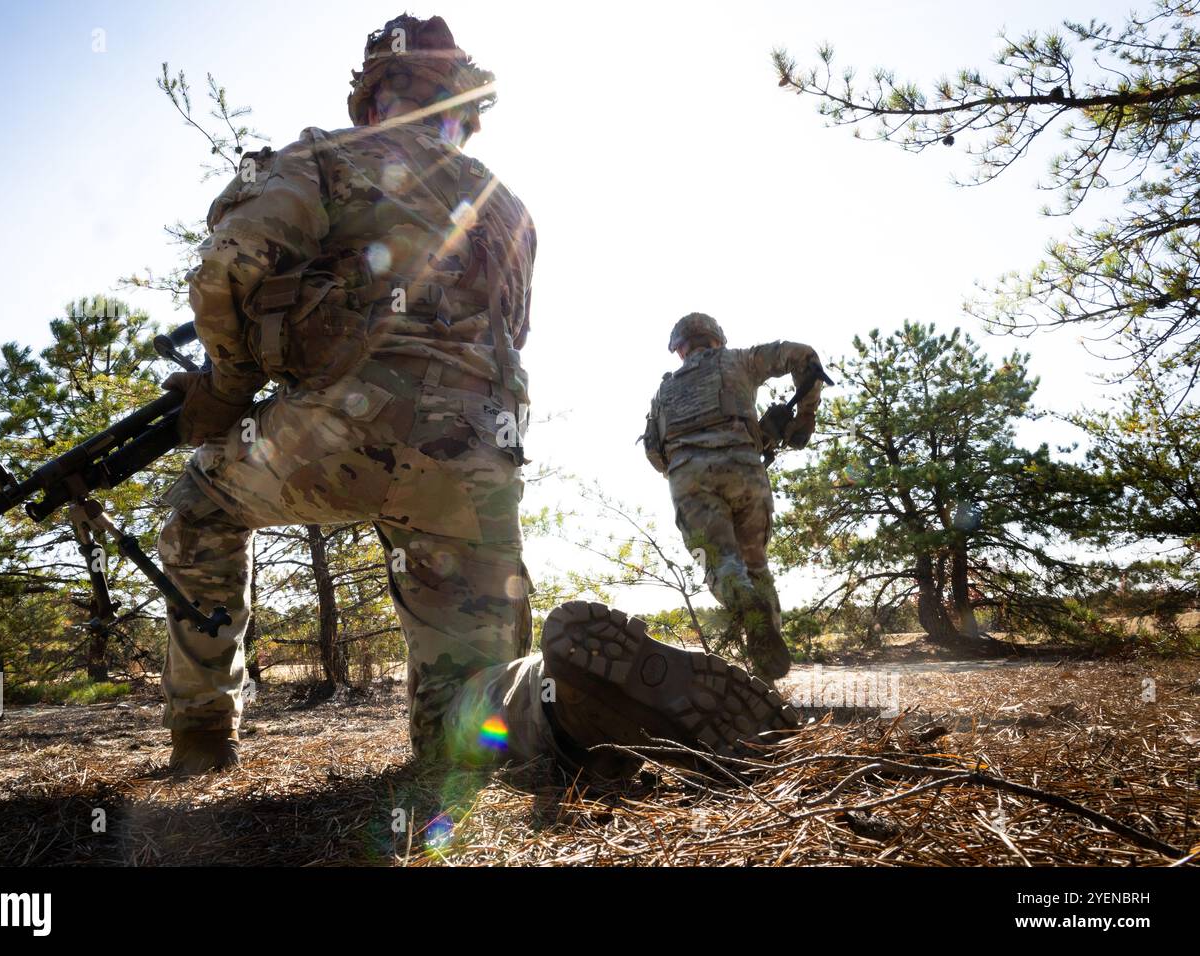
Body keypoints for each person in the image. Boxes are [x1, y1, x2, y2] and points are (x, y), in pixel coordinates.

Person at [160, 15, 795, 778]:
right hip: (481, 458)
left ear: (371, 100)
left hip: (342, 431)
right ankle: (558, 699)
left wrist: (228, 386)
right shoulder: (511, 210)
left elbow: (230, 261)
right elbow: (509, 333)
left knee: (202, 510)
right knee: (461, 722)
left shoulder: (328, 155)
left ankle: (201, 732)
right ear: (465, 110)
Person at [642, 312, 826, 679]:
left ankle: (743, 601)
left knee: (722, 566)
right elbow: (803, 355)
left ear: (679, 349)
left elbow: (653, 453)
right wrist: (804, 416)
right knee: (756, 565)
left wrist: (689, 465)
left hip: (690, 481)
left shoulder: (663, 393)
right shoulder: (741, 360)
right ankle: (766, 679)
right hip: (745, 470)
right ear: (717, 339)